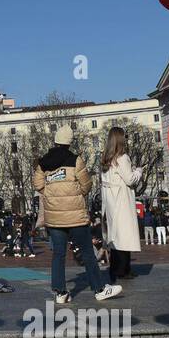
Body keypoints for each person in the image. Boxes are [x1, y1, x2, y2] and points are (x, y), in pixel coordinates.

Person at [33, 126, 118, 303]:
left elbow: (38, 184)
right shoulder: (75, 160)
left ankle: (60, 293)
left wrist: (50, 193)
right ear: (69, 142)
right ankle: (99, 289)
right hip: (75, 216)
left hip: (54, 216)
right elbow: (87, 184)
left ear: (55, 140)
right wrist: (77, 192)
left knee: (58, 254)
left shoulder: (43, 162)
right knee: (87, 252)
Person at [99, 126, 142, 283]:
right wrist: (139, 171)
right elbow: (130, 179)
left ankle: (118, 267)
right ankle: (123, 269)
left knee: (115, 236)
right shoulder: (122, 158)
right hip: (121, 200)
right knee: (125, 236)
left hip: (110, 201)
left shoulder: (106, 159)